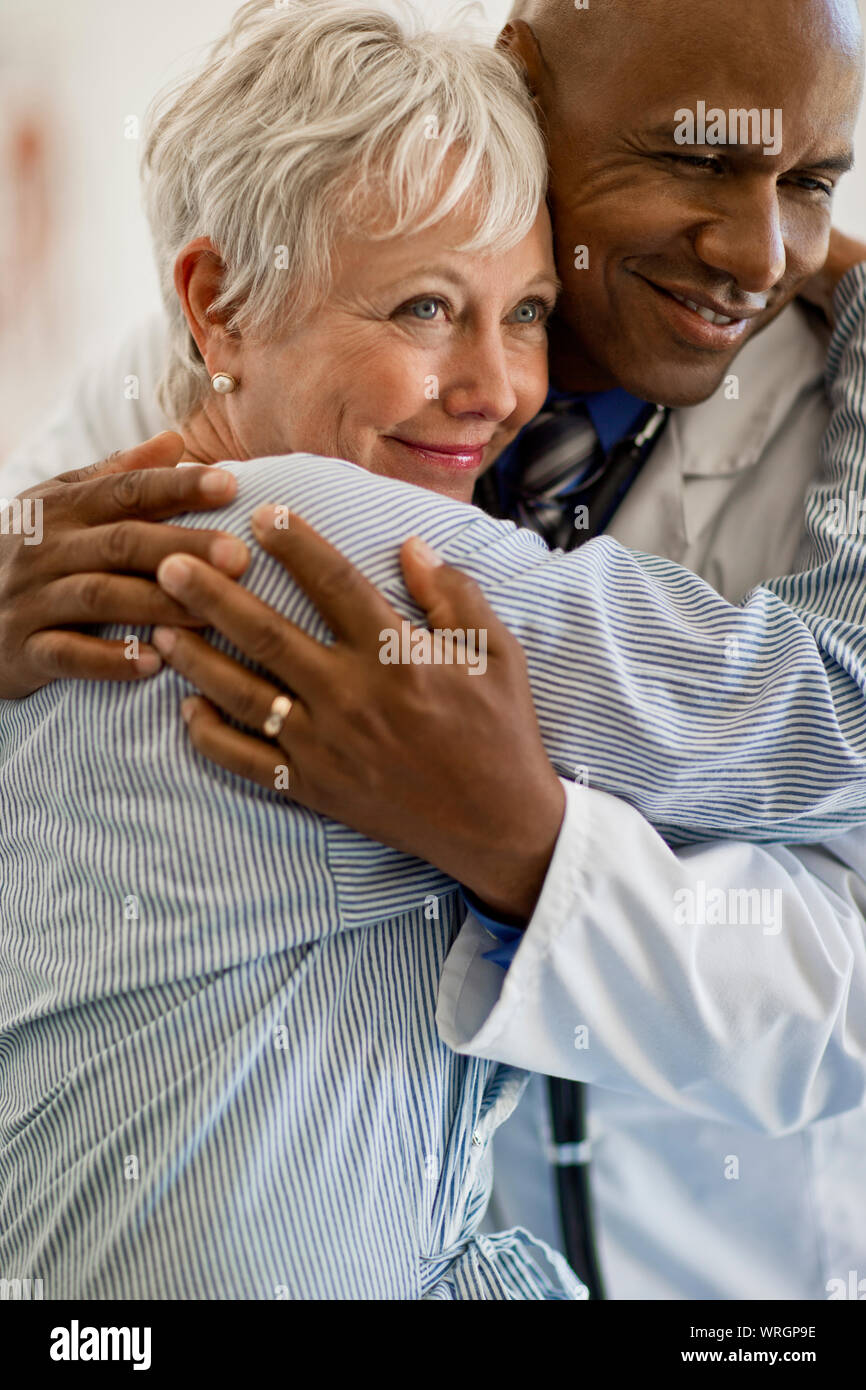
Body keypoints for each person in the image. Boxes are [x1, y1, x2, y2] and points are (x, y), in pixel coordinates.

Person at [2, 0, 866, 1299]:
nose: (755, 249)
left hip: (701, 1246)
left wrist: (524, 847)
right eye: (695, 158)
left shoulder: (800, 394)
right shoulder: (266, 433)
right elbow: (825, 707)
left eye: (809, 181)